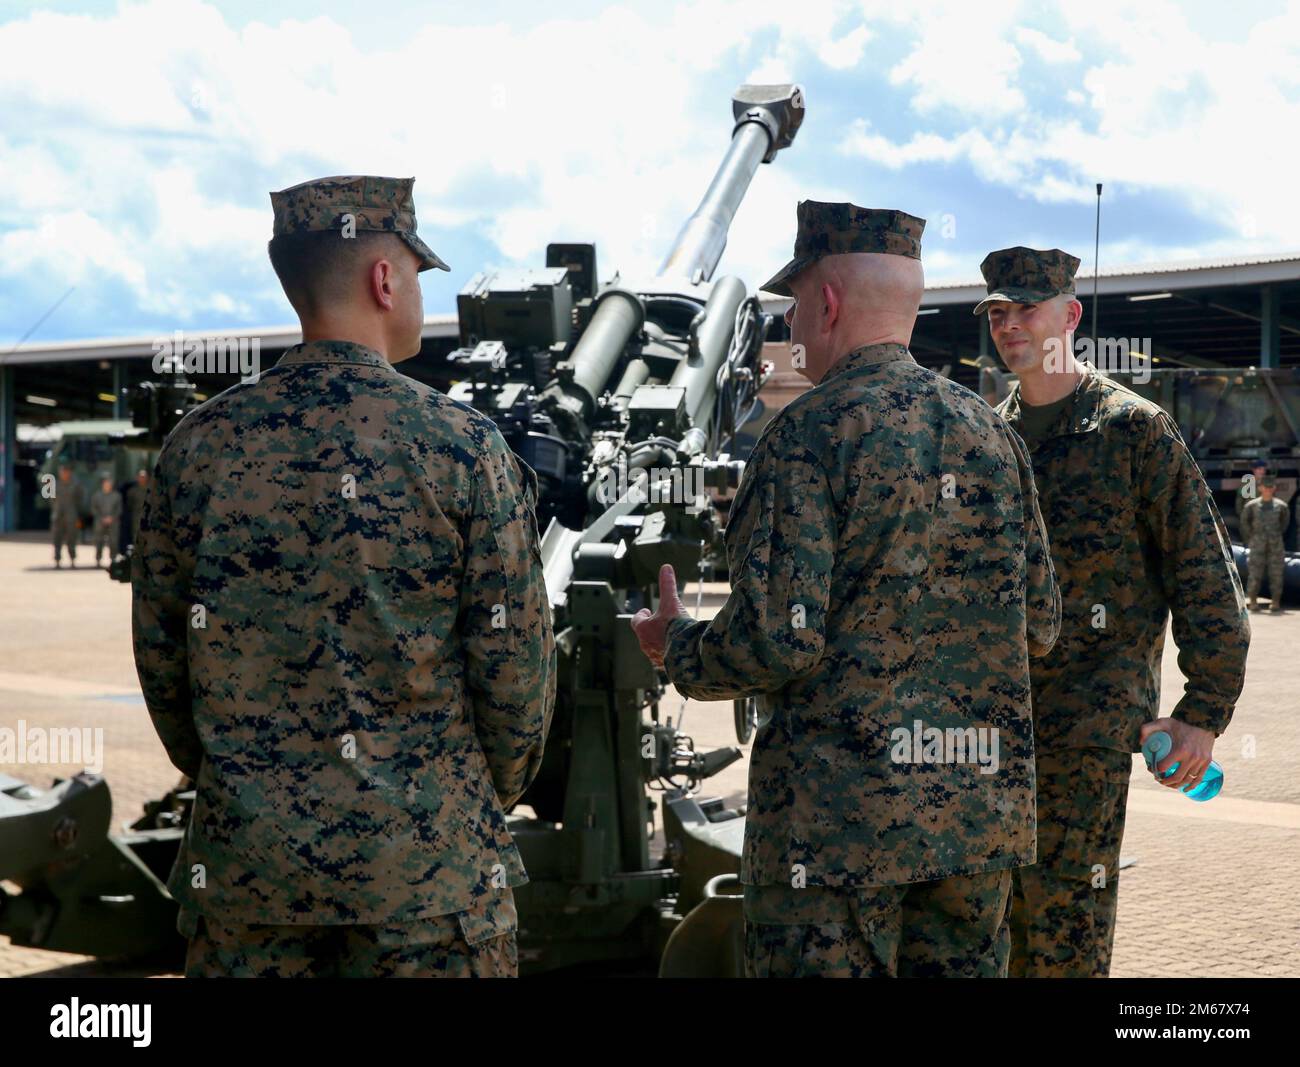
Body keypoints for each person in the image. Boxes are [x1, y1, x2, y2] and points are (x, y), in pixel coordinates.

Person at [133, 175, 555, 978]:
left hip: (250, 890)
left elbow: (165, 670)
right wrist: (454, 806)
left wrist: (251, 782)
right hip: (429, 894)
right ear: (384, 278)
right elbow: (517, 679)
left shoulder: (198, 447)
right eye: (418, 274)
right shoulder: (463, 447)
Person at [631, 200, 1060, 978]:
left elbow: (774, 640)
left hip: (834, 840)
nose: (791, 329)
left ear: (825, 303)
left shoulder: (806, 434)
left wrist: (678, 647)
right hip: (976, 826)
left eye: (794, 307)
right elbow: (1043, 624)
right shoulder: (994, 435)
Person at [981, 246, 1251, 977]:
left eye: (1024, 309)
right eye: (997, 312)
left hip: (1082, 736)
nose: (1008, 325)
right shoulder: (984, 438)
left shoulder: (1135, 431)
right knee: (988, 941)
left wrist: (1204, 710)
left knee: (1066, 942)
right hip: (982, 740)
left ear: (1069, 316)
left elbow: (1204, 579)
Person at [1242, 476, 1289, 613]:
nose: (1268, 490)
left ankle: (1275, 601)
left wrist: (1275, 535)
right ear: (1260, 488)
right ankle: (1253, 601)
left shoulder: (1281, 506)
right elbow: (1245, 523)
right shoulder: (1251, 506)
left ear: (1273, 488)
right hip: (1257, 544)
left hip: (1276, 544)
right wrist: (1253, 537)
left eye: (1270, 487)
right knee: (1255, 573)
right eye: (1265, 487)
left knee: (1276, 573)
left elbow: (1284, 524)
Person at [50, 464, 82, 569]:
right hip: (58, 516)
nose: (64, 473)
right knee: (57, 539)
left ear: (69, 473)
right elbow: (51, 499)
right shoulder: (55, 485)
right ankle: (57, 560)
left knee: (71, 539)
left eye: (66, 471)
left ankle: (72, 560)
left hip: (71, 517)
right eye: (62, 472)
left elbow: (79, 498)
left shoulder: (75, 485)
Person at [90, 475, 122, 567]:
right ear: (102, 484)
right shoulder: (97, 495)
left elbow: (119, 509)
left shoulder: (117, 496)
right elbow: (93, 508)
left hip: (113, 522)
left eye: (109, 483)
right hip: (100, 522)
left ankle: (113, 559)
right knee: (99, 541)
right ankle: (98, 560)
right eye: (106, 483)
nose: (107, 485)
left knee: (113, 541)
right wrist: (101, 518)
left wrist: (112, 517)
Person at [125, 468, 149, 546]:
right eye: (140, 477)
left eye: (144, 477)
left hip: (148, 516)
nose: (142, 479)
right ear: (137, 478)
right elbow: (129, 504)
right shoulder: (132, 491)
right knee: (136, 533)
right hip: (136, 516)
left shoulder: (151, 490)